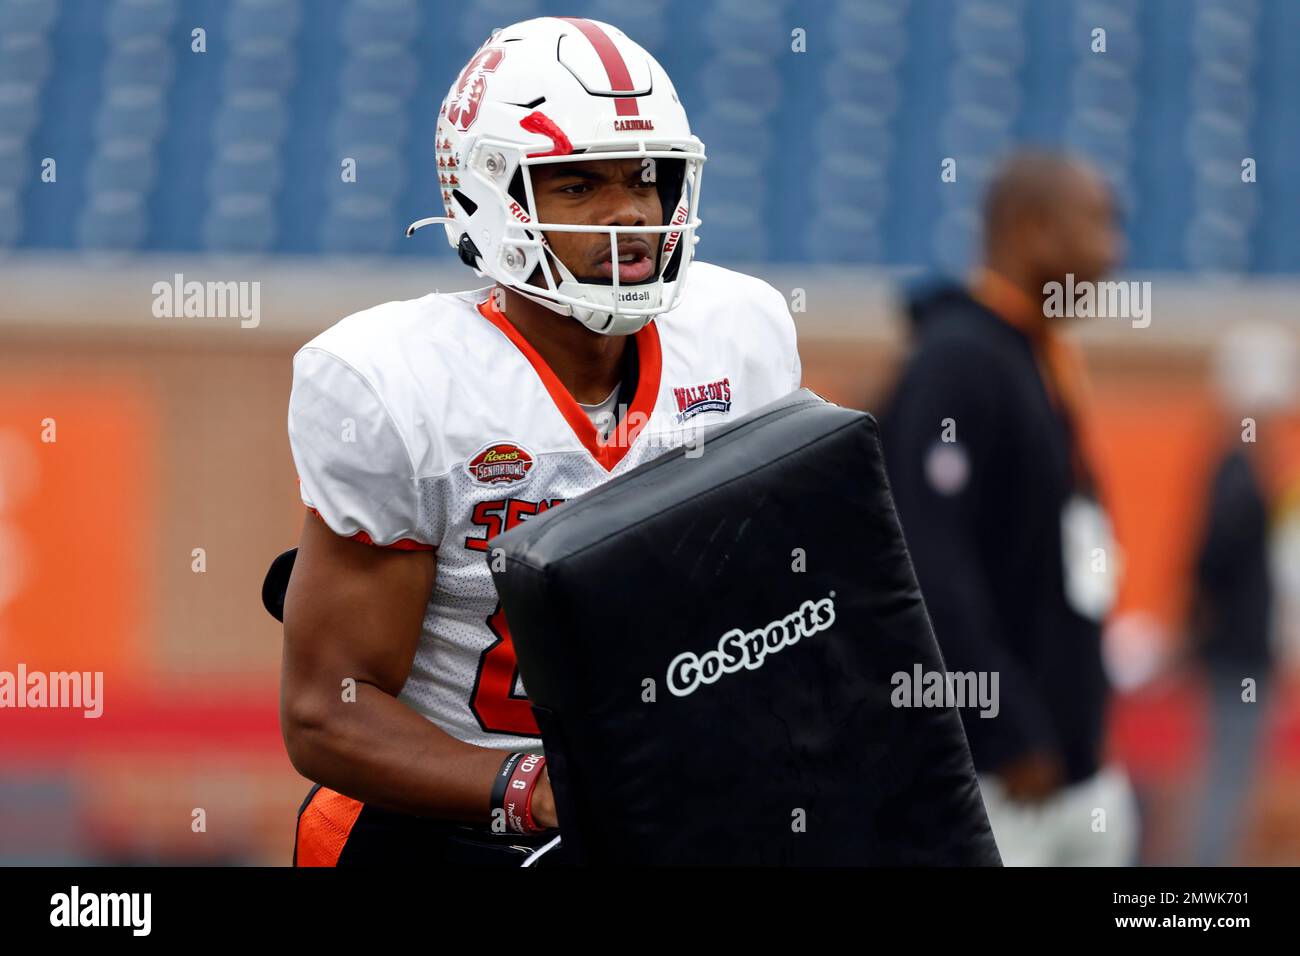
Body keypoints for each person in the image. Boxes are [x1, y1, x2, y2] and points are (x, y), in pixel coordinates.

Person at [280, 17, 800, 866]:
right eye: (577, 186)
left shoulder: (739, 338)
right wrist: (531, 789)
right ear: (492, 197)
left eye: (645, 178)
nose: (629, 213)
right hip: (437, 826)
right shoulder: (400, 383)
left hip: (657, 815)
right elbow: (328, 710)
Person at [880, 150, 1137, 865]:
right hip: (1002, 779)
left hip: (1070, 765)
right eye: (1096, 225)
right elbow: (927, 560)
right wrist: (1003, 727)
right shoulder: (959, 360)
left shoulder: (1034, 355)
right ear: (1029, 228)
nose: (1112, 254)